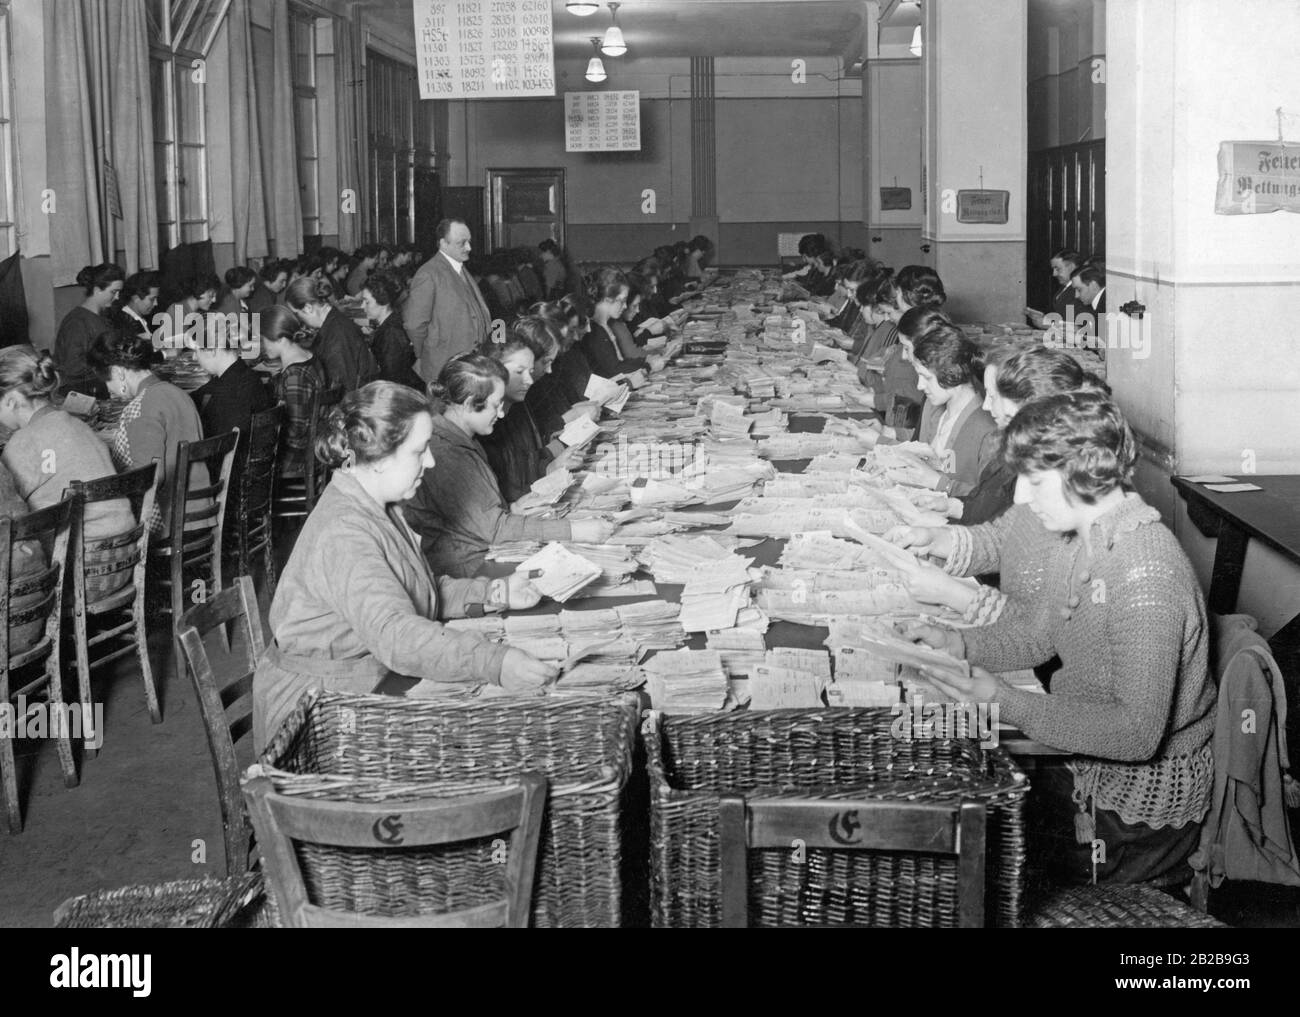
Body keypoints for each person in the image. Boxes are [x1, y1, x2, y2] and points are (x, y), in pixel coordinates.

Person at [902, 392, 1215, 886]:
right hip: (1083, 763)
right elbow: (1036, 636)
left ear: (1082, 473)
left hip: (1130, 810)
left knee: (983, 869)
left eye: (1034, 480)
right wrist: (958, 645)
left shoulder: (1145, 571)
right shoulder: (1083, 538)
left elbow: (1135, 734)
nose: (1022, 497)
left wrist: (1002, 701)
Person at [252, 381, 557, 751]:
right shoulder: (345, 531)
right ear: (379, 459)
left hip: (363, 682)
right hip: (317, 713)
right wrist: (494, 660)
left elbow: (415, 591)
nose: (429, 461)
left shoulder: (379, 505)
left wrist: (495, 591)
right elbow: (397, 635)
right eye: (419, 451)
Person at [404, 354, 613, 578]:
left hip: (478, 551)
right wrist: (574, 530)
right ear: (468, 404)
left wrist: (512, 508)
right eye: (496, 406)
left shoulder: (460, 437)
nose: (502, 413)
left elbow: (472, 516)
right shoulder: (447, 452)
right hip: (467, 568)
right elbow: (495, 530)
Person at [0, 346, 134, 600]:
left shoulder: (21, 444)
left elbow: (8, 518)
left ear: (11, 400)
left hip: (81, 575)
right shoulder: (79, 425)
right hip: (124, 559)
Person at [86, 331, 209, 537]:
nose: (110, 391)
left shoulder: (141, 407)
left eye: (107, 382)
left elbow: (150, 478)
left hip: (170, 523)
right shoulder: (179, 393)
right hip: (200, 513)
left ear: (118, 372)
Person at [892, 326, 999, 499]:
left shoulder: (987, 428)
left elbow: (991, 501)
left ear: (951, 374)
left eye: (926, 377)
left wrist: (939, 483)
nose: (920, 385)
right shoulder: (941, 411)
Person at [403, 218, 492, 383]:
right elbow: (414, 324)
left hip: (468, 367)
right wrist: (428, 354)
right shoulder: (428, 273)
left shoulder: (460, 268)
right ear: (443, 243)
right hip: (444, 368)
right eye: (462, 243)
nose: (469, 248)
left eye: (469, 242)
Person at [259, 305, 327, 477]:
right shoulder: (309, 356)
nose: (261, 345)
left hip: (298, 458)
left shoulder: (294, 375)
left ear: (280, 339)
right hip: (314, 447)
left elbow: (296, 429)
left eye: (263, 339)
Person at [286, 276, 377, 393]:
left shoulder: (337, 335)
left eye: (297, 314)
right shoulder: (334, 320)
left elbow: (343, 390)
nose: (299, 319)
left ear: (308, 308)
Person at [579, 268, 662, 378]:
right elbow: (613, 369)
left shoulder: (606, 325)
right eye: (622, 301)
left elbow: (621, 362)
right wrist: (648, 365)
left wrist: (646, 361)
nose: (625, 306)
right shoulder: (595, 331)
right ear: (607, 299)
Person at [56, 263, 124, 397]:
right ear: (97, 289)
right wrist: (110, 364)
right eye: (114, 292)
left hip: (99, 386)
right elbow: (73, 367)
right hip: (80, 391)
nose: (117, 297)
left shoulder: (102, 317)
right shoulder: (77, 322)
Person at [361, 271, 423, 391]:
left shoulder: (391, 333)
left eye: (367, 302)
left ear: (383, 301)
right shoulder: (391, 321)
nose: (362, 306)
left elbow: (391, 379)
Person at [113, 271, 162, 342]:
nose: (156, 303)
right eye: (152, 299)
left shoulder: (139, 319)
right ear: (136, 298)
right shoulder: (125, 323)